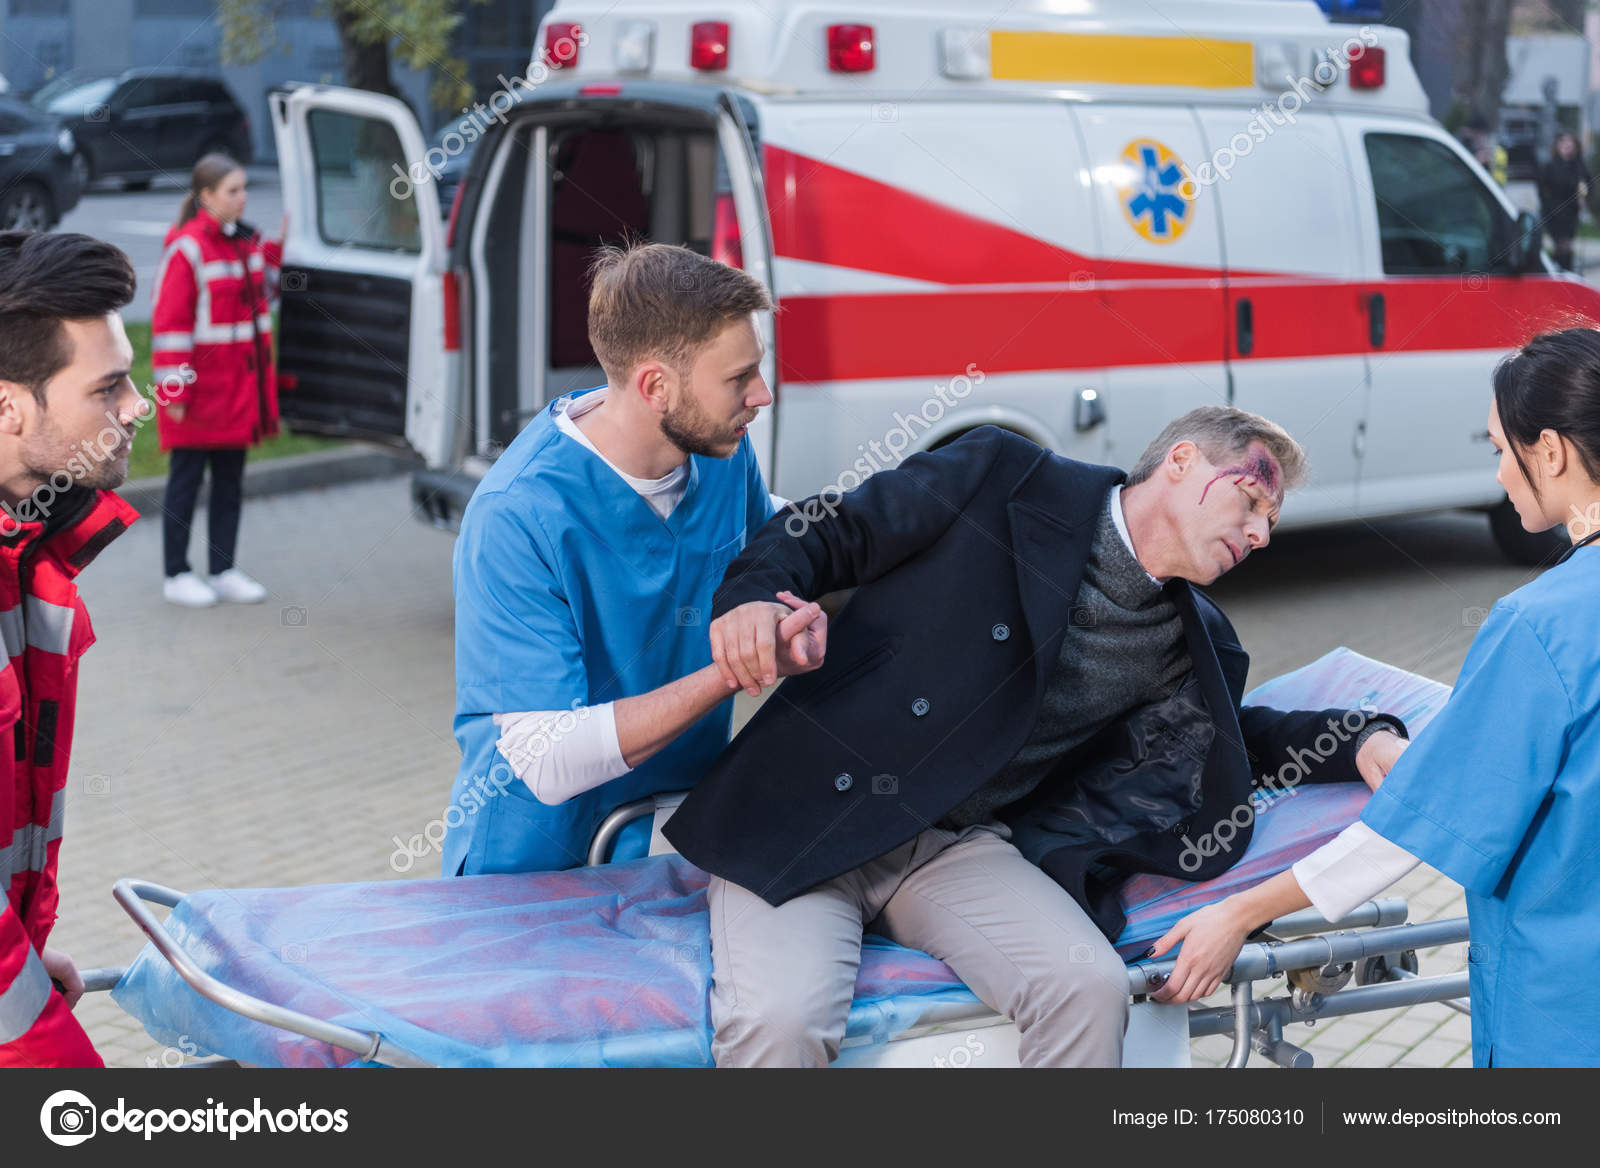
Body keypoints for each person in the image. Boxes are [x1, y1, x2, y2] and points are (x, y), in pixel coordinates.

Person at [662, 408, 1410, 1067]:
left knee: (1086, 986)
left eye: (1270, 523)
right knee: (779, 1023)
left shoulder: (1193, 638)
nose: (1260, 533)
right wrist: (755, 596)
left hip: (955, 847)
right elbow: (835, 527)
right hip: (814, 809)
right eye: (1251, 500)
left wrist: (1365, 739)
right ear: (1181, 462)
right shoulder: (1006, 476)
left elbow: (1233, 739)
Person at [1149, 328, 1600, 1068]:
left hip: (1567, 1011)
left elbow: (1416, 822)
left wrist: (1239, 912)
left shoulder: (1543, 626)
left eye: (1498, 449)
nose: (1498, 476)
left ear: (1548, 451)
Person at [440, 242, 807, 878]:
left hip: (659, 848)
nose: (763, 394)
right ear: (656, 387)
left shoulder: (720, 453)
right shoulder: (517, 517)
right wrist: (735, 667)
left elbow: (773, 538)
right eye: (738, 379)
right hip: (533, 873)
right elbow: (547, 759)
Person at [0, 231, 147, 1066]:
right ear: (9, 407)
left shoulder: (28, 556)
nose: (138, 404)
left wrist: (22, 954)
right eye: (108, 387)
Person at [151, 153, 284, 608]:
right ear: (206, 197)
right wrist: (174, 392)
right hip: (199, 394)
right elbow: (170, 325)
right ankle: (176, 573)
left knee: (230, 484)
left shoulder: (245, 243)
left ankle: (223, 569)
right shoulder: (187, 248)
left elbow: (270, 287)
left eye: (245, 188)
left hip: (236, 394)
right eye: (233, 190)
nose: (243, 197)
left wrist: (285, 247)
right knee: (184, 484)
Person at [1537, 131, 1591, 271]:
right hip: (1554, 211)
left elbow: (1588, 184)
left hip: (1571, 212)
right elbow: (1542, 189)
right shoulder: (1550, 166)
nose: (1567, 145)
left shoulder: (1579, 166)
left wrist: (1584, 196)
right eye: (1564, 142)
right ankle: (1560, 270)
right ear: (1558, 145)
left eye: (1570, 142)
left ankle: (1565, 271)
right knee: (1561, 244)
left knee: (1567, 244)